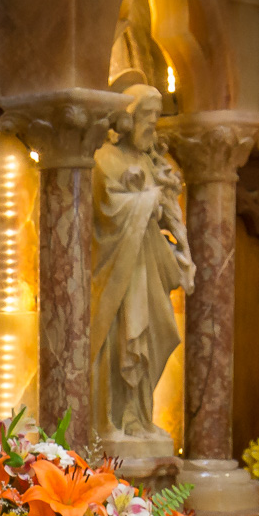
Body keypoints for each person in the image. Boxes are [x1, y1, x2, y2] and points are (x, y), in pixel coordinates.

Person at [91, 85, 195, 449]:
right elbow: (107, 212)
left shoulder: (152, 162)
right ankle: (114, 422)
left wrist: (183, 251)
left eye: (156, 115)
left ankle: (140, 418)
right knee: (122, 342)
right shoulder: (103, 157)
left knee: (157, 333)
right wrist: (145, 200)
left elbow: (167, 210)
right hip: (119, 274)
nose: (154, 123)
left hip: (148, 269)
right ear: (127, 117)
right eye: (148, 115)